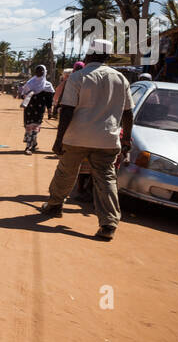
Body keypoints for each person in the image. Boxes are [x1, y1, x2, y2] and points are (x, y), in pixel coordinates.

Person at [41, 40, 134, 241]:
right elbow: (128, 113)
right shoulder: (120, 79)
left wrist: (59, 139)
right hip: (107, 139)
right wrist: (126, 138)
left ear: (89, 54)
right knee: (106, 179)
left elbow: (67, 111)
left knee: (66, 171)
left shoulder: (78, 77)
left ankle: (55, 205)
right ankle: (109, 223)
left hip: (77, 137)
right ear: (107, 57)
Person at [18, 65, 55, 153]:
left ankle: (28, 146)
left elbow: (49, 101)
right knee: (29, 127)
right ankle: (31, 144)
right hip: (29, 110)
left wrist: (50, 112)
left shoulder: (47, 85)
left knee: (34, 127)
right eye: (37, 71)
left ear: (44, 72)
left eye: (41, 71)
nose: (39, 72)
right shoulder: (30, 83)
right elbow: (23, 95)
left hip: (39, 110)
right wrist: (26, 95)